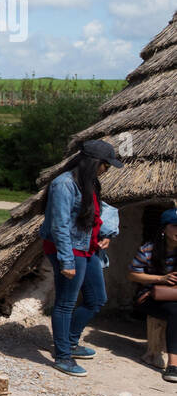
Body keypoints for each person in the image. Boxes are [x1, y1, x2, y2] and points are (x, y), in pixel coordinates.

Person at [38, 138, 124, 376]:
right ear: (94, 162)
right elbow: (60, 226)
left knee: (96, 298)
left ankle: (70, 343)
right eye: (106, 164)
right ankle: (63, 356)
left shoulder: (90, 183)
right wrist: (66, 261)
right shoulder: (63, 185)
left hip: (87, 247)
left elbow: (91, 216)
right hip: (67, 250)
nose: (106, 169)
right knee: (66, 303)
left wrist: (102, 235)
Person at [128, 207, 177, 383]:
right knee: (175, 311)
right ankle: (173, 365)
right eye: (175, 226)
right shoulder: (149, 249)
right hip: (149, 296)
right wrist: (161, 278)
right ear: (164, 228)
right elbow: (133, 274)